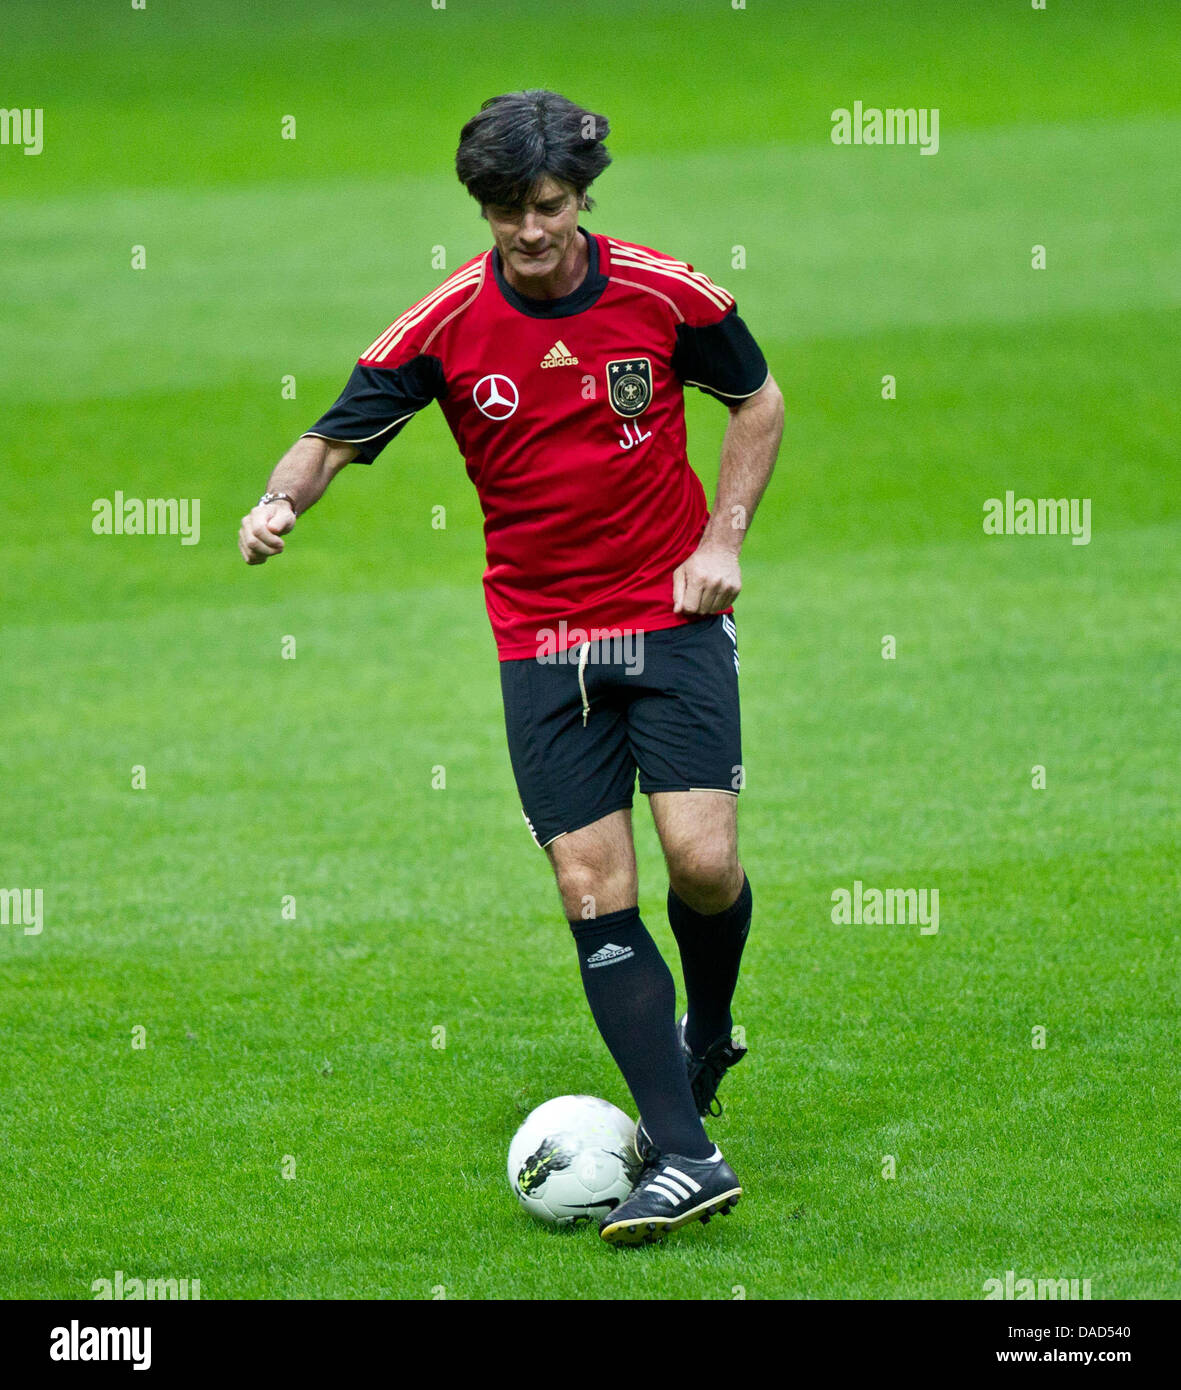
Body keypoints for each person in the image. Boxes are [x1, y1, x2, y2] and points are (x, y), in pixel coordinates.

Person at [238, 90, 783, 1246]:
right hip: (539, 639)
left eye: (543, 206)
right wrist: (281, 498)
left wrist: (721, 541)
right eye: (501, 210)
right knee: (592, 887)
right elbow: (336, 433)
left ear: (580, 196)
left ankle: (709, 1027)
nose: (526, 231)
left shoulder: (664, 291)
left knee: (701, 859)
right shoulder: (443, 323)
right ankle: (685, 1151)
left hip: (665, 618)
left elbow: (755, 399)